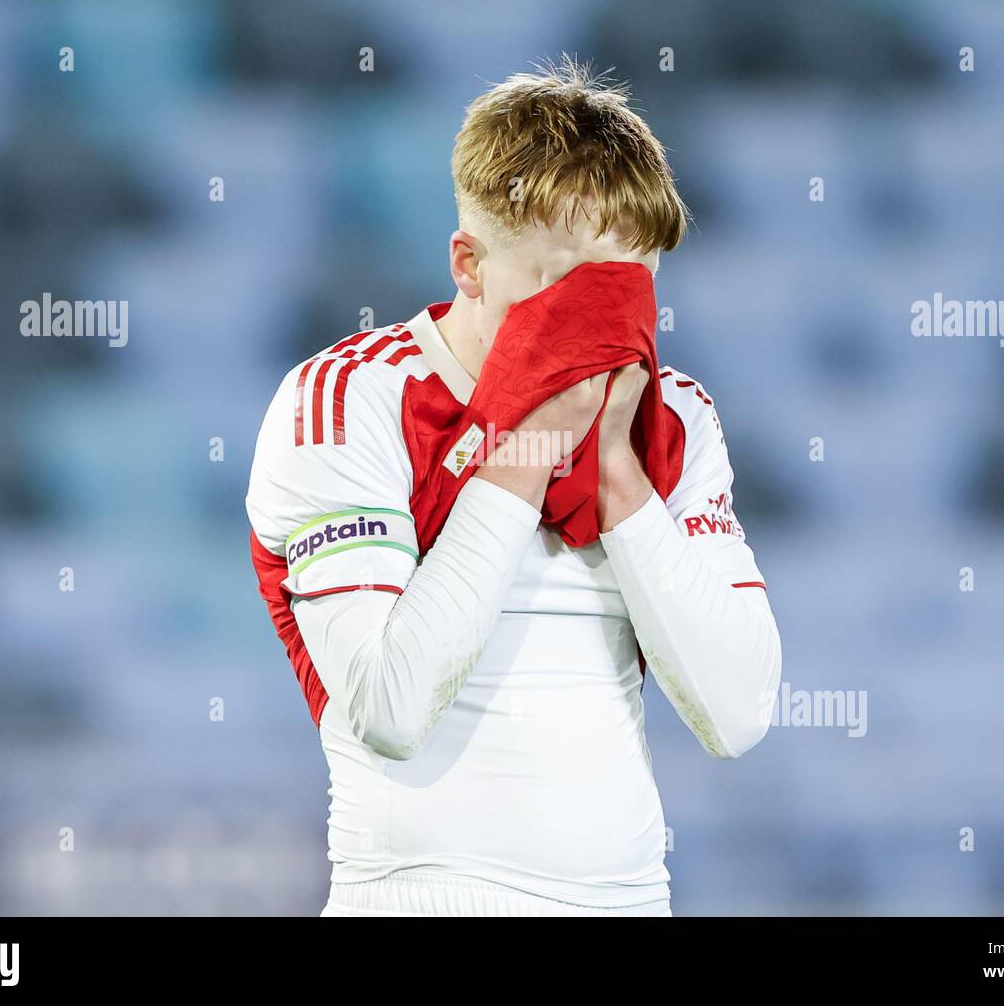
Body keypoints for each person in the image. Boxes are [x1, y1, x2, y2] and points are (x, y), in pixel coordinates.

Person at [246, 59, 781, 917]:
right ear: (469, 264)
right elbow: (390, 706)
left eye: (627, 295)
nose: (601, 334)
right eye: (568, 292)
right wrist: (527, 449)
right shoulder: (352, 400)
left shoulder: (674, 421)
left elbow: (739, 712)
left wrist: (617, 473)